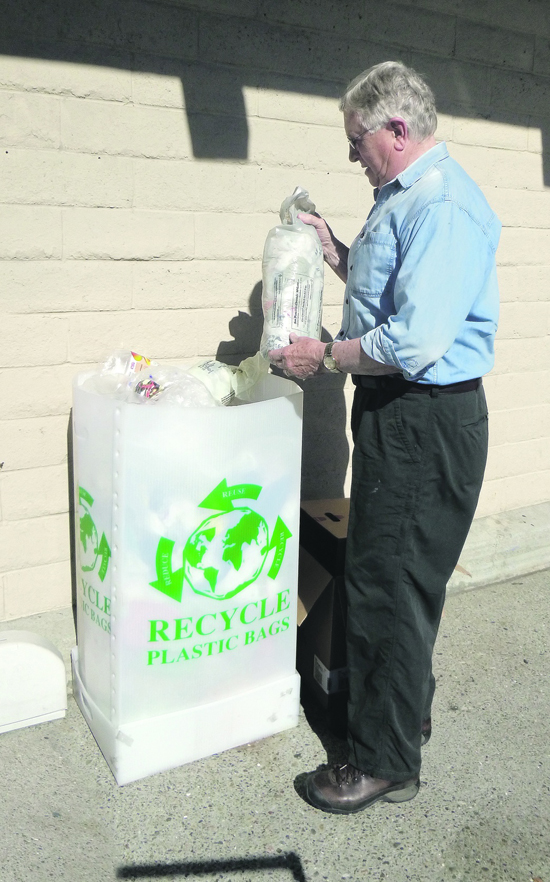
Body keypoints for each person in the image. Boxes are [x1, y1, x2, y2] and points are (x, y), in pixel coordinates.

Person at [268, 61, 501, 814]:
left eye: (356, 141)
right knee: (399, 585)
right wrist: (333, 248)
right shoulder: (406, 198)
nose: (352, 155)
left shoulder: (441, 206)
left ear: (396, 131)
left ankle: (379, 762)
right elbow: (390, 290)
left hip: (420, 418)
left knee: (385, 589)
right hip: (404, 416)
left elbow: (414, 340)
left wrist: (322, 357)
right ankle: (403, 717)